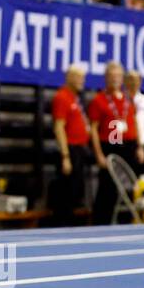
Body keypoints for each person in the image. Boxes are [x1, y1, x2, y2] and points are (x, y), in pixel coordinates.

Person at [89, 61, 140, 224]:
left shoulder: (128, 99)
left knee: (128, 185)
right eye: (112, 76)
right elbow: (94, 129)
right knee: (108, 186)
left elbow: (134, 121)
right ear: (106, 78)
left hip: (128, 144)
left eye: (118, 76)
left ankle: (126, 220)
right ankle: (101, 222)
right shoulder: (99, 100)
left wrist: (139, 147)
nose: (115, 79)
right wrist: (99, 155)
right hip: (111, 143)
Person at [50, 64, 90, 227]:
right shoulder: (62, 97)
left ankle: (70, 224)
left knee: (76, 191)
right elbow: (59, 127)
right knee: (66, 191)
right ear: (70, 77)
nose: (82, 81)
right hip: (70, 150)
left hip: (79, 149)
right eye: (79, 77)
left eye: (83, 77)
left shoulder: (76, 98)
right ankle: (62, 225)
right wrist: (65, 156)